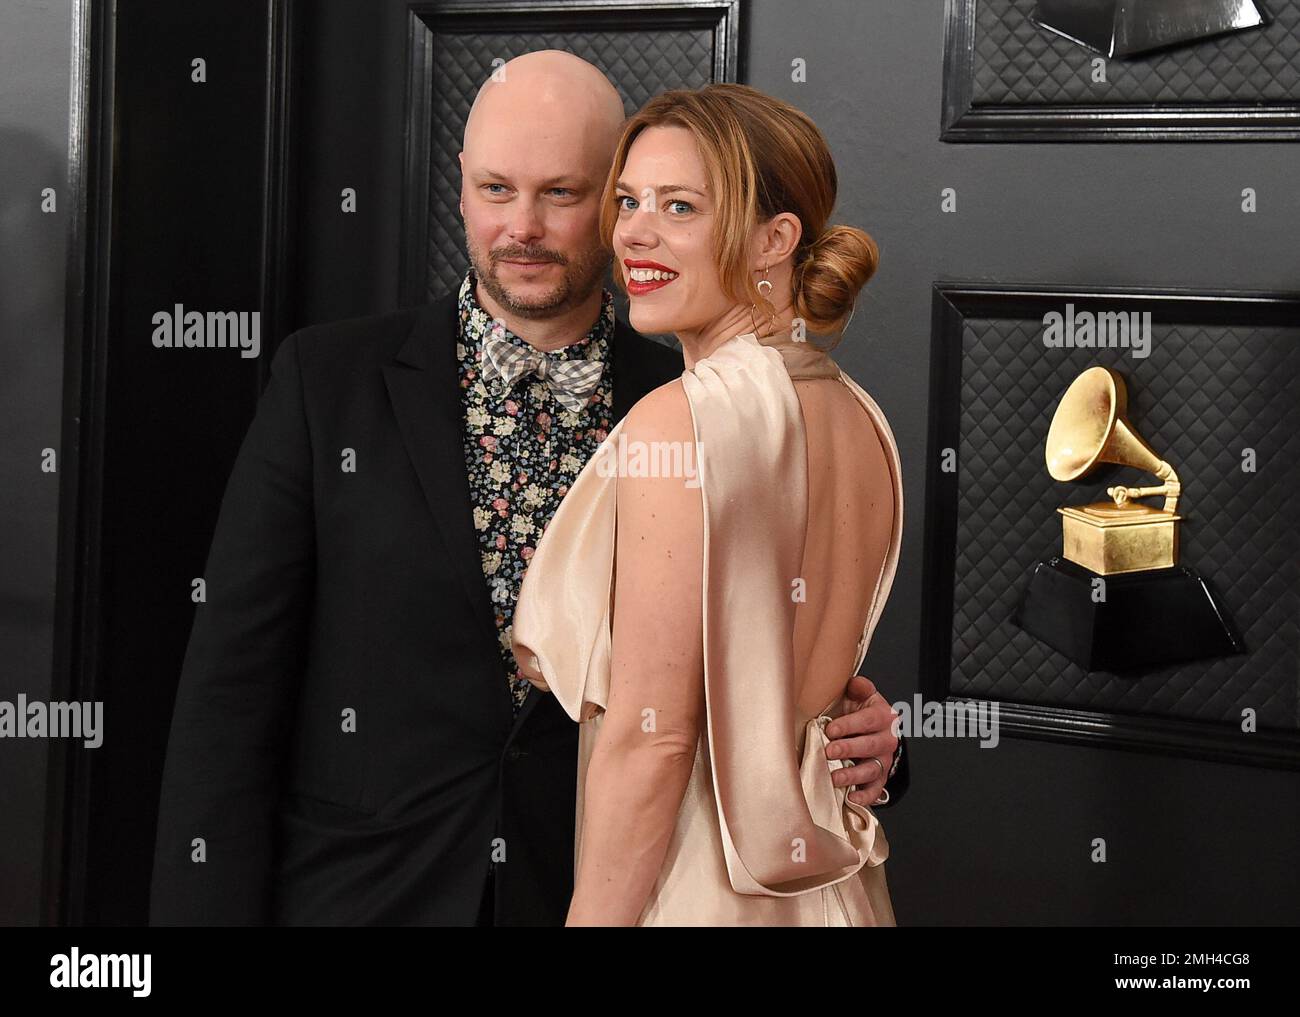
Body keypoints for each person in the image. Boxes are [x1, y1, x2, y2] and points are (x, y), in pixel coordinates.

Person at [150, 51, 906, 927]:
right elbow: (227, 696)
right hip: (363, 894)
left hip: (601, 891)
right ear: (462, 188)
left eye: (564, 193)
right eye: (497, 189)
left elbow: (742, 661)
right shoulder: (327, 382)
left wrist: (863, 739)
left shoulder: (691, 402)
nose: (524, 227)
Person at [512, 82, 905, 926]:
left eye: (679, 206)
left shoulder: (680, 421)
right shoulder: (860, 417)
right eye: (627, 201)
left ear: (776, 239)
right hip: (834, 894)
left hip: (699, 893)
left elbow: (651, 743)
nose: (633, 234)